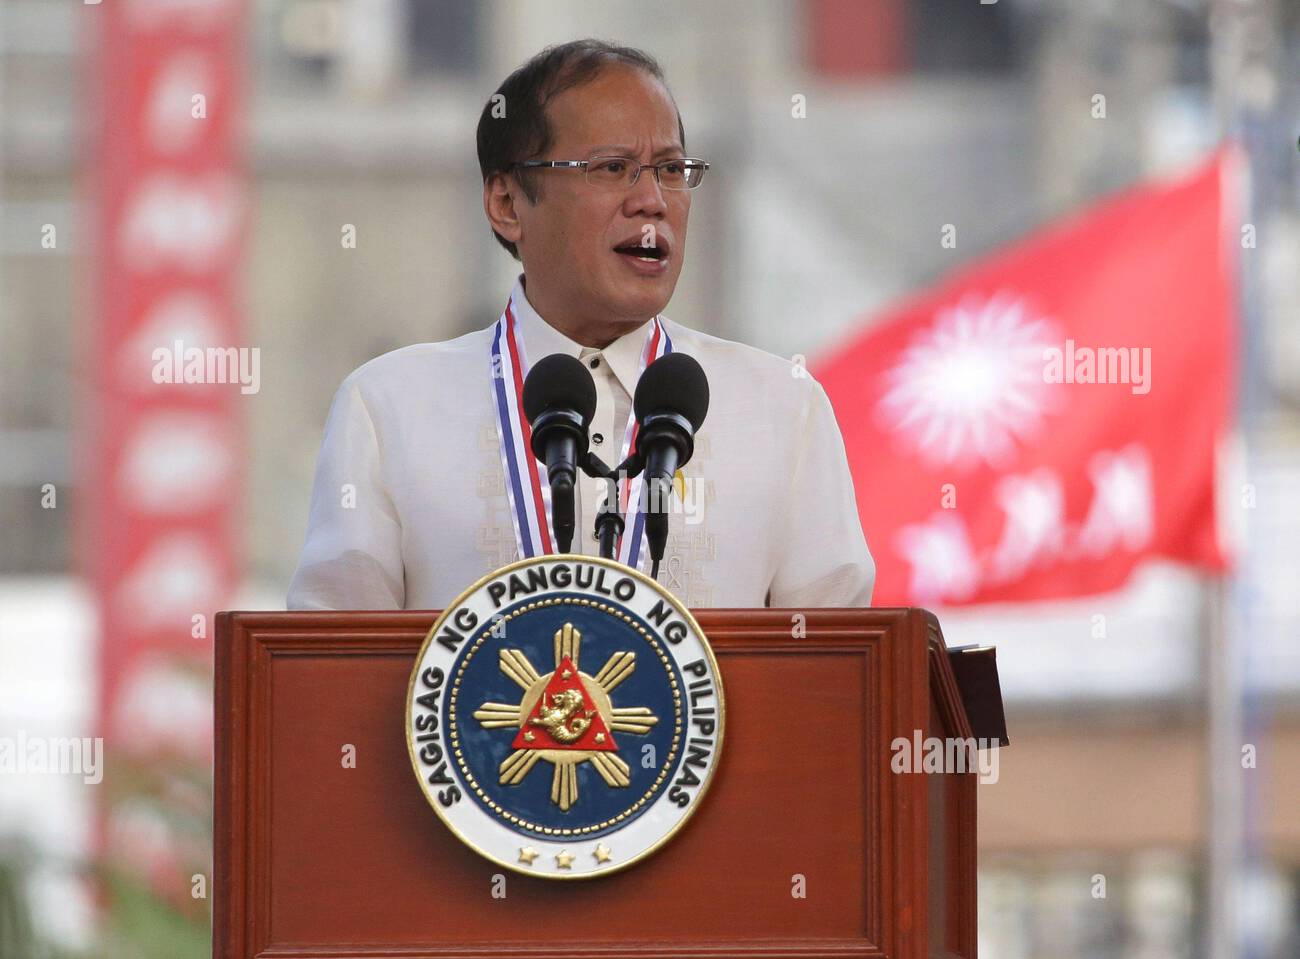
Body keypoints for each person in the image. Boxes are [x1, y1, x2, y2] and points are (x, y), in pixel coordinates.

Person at [287, 39, 874, 611]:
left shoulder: (782, 408)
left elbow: (842, 678)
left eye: (671, 169)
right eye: (613, 168)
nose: (652, 200)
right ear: (507, 204)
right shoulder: (388, 408)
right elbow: (329, 672)